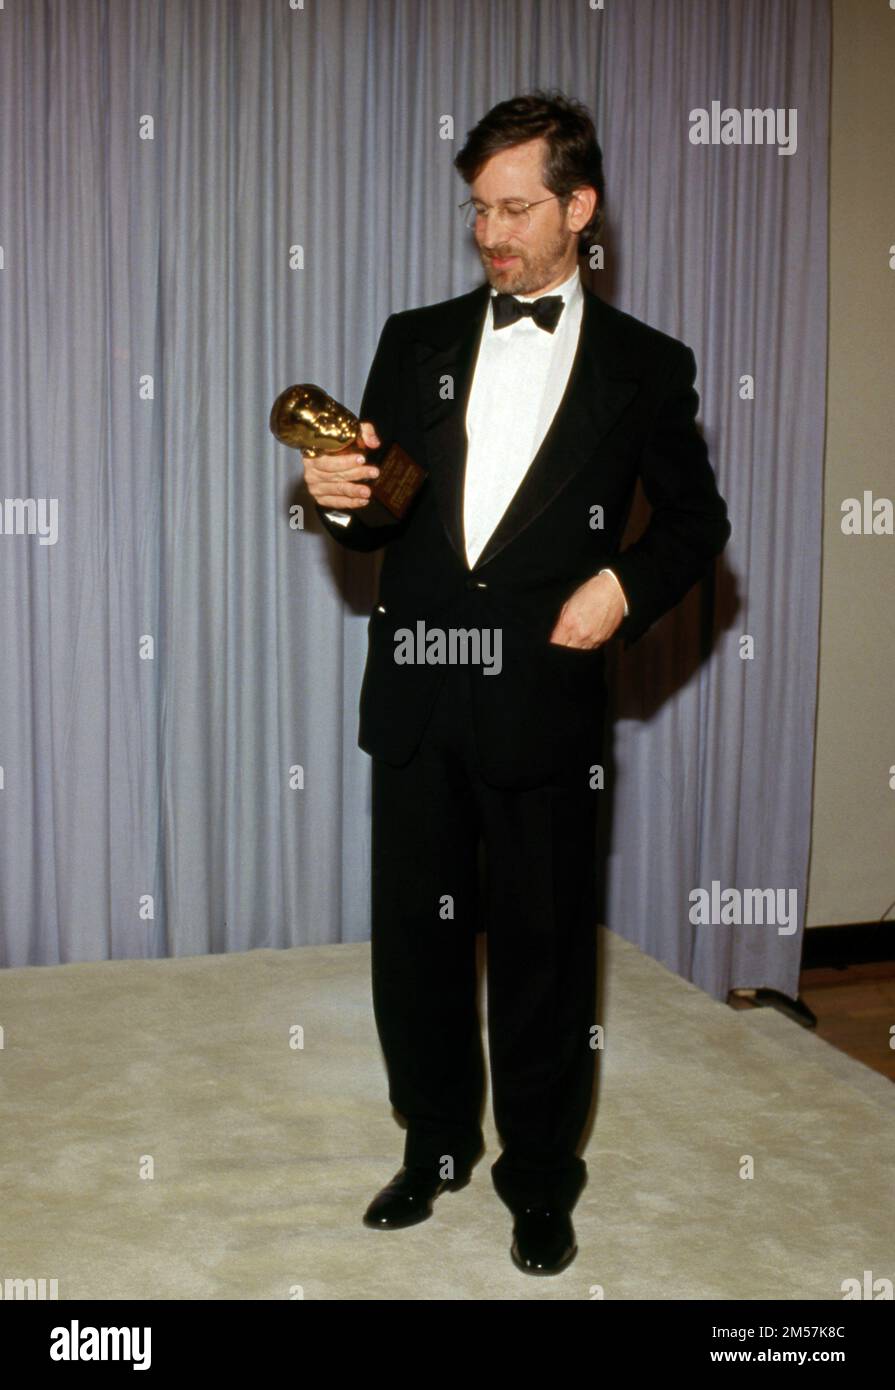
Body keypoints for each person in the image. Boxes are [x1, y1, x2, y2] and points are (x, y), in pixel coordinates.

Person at [301, 90, 731, 1276]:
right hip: (422, 692)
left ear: (577, 207)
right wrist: (336, 500)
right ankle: (434, 1147)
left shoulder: (647, 367)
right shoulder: (415, 338)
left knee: (543, 957)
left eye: (515, 205)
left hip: (546, 704)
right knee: (419, 945)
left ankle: (540, 1176)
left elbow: (696, 527)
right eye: (477, 207)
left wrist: (624, 591)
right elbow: (377, 518)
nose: (490, 231)